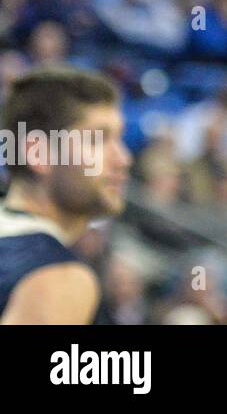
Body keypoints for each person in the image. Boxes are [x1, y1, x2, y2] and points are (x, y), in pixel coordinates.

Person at [0, 67, 132, 324]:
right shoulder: (56, 277)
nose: (123, 159)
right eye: (97, 140)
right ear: (38, 153)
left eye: (119, 139)